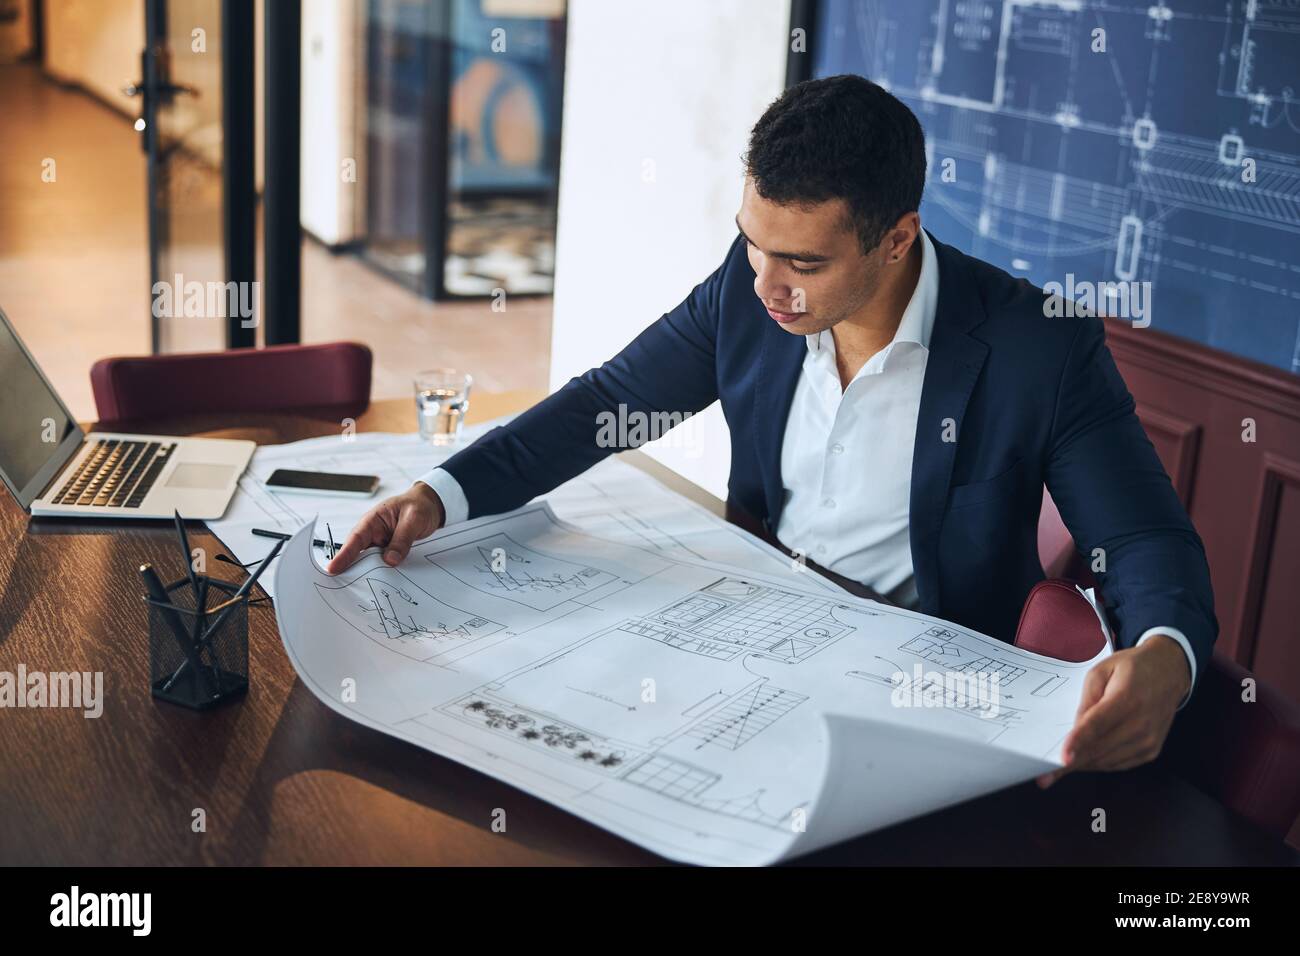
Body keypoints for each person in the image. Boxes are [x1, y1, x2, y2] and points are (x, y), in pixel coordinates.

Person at [327, 74, 1216, 789]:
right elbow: (606, 403)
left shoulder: (1039, 347)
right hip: (748, 634)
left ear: (899, 238)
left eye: (803, 262)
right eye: (753, 242)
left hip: (916, 692)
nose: (766, 286)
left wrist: (1165, 661)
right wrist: (439, 495)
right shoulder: (751, 291)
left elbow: (1141, 536)